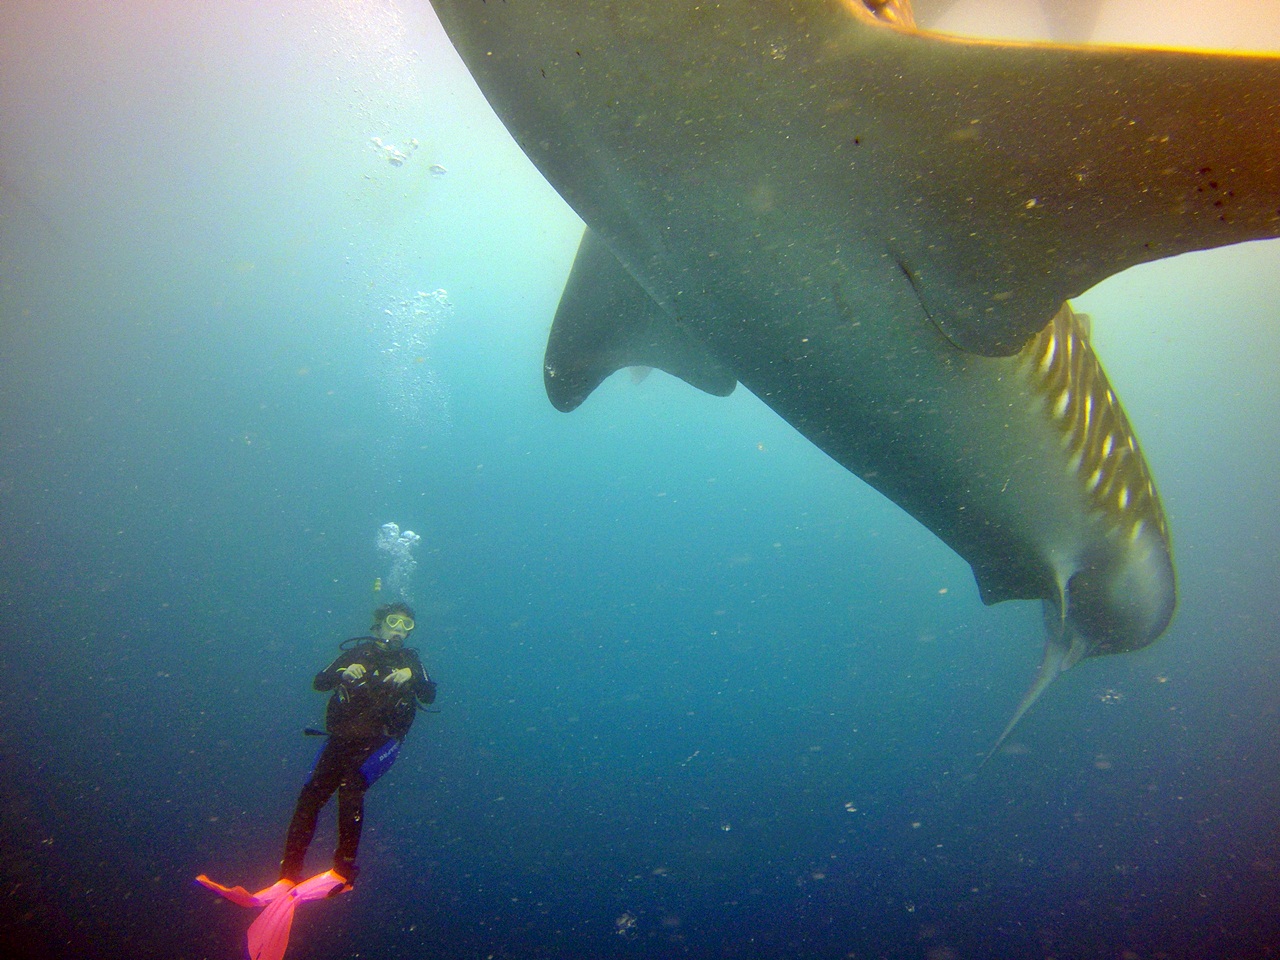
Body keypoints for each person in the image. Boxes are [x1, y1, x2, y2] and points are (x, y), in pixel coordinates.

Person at [278, 602, 437, 888]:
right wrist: (342, 672)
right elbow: (319, 682)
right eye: (393, 622)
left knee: (350, 788)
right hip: (342, 739)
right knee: (310, 796)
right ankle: (288, 874)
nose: (399, 630)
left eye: (406, 626)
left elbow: (429, 696)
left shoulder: (411, 661)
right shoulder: (357, 653)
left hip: (382, 742)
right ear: (377, 626)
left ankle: (344, 869)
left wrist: (411, 677)